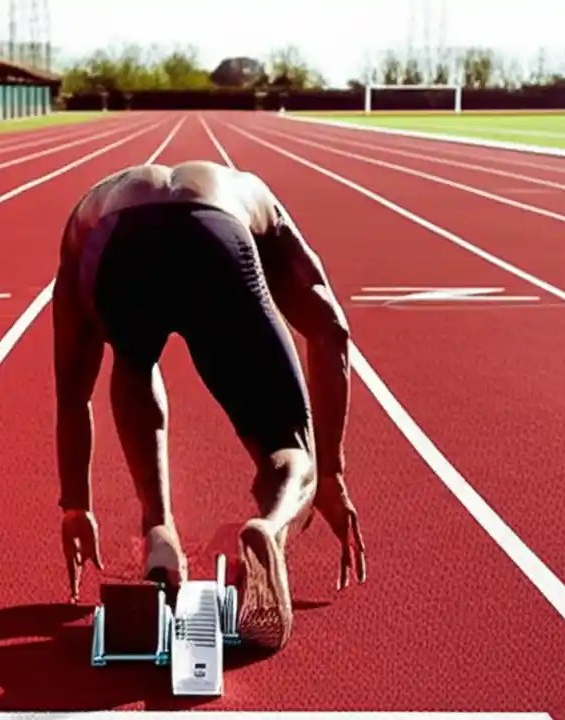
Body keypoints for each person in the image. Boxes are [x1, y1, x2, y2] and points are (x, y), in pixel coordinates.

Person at [52, 160, 366, 651]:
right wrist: (330, 474)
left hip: (116, 243)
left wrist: (75, 505)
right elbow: (332, 329)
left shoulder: (90, 209)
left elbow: (72, 387)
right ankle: (271, 521)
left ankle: (158, 531)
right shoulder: (253, 193)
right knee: (290, 448)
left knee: (132, 360)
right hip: (216, 233)